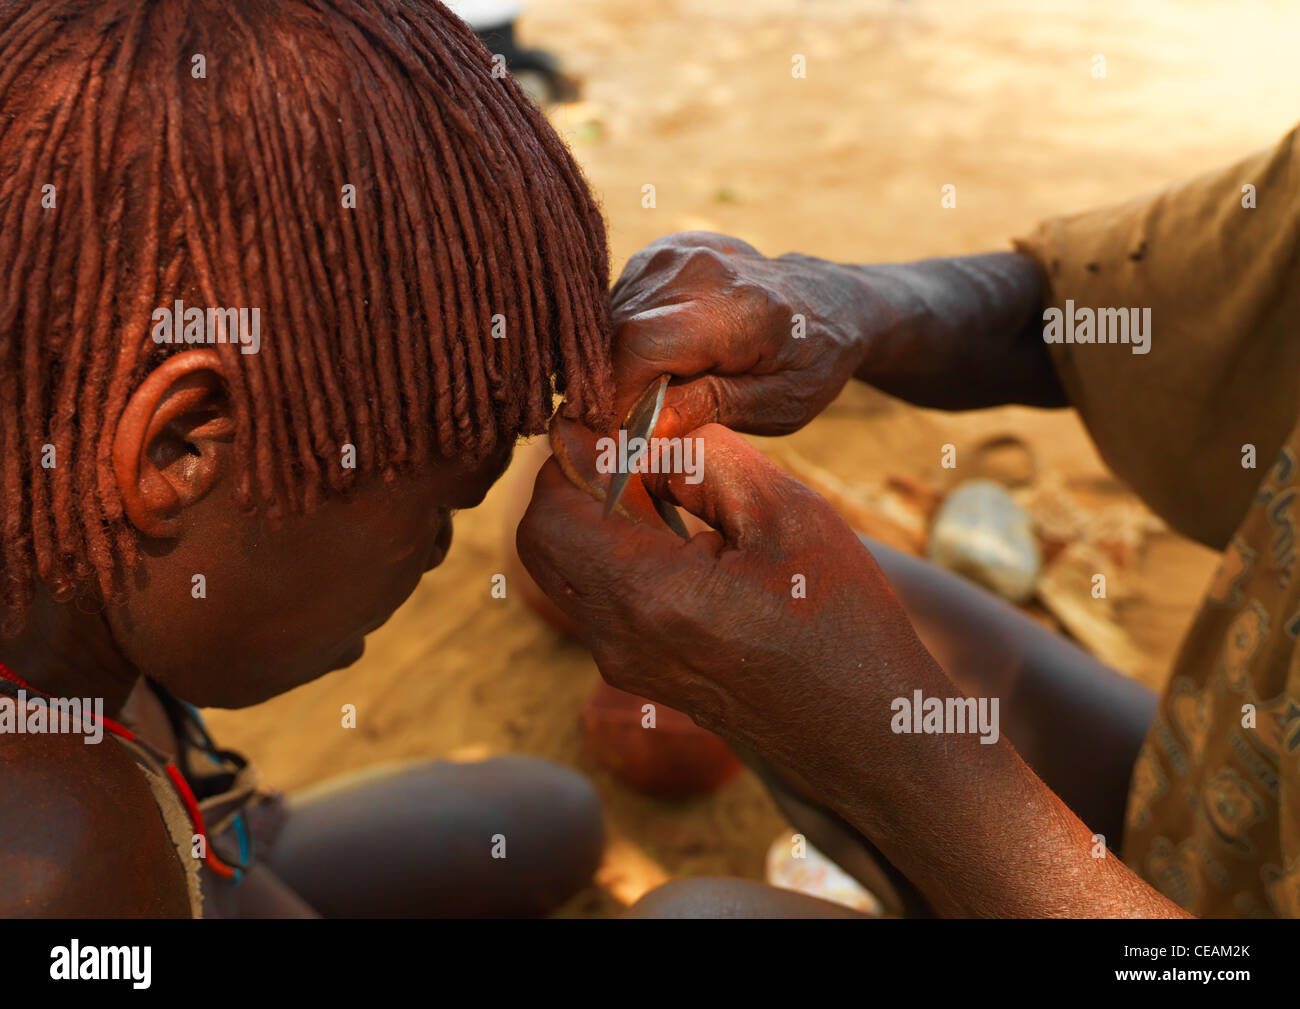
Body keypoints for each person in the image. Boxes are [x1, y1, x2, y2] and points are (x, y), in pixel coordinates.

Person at [517, 124, 1300, 918]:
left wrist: (888, 754)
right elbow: (1093, 309)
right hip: (1205, 788)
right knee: (774, 602)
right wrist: (843, 305)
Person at [0, 0, 610, 918]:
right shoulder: (60, 864)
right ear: (178, 450)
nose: (443, 551)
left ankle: (217, 841)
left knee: (539, 819)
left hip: (169, 839)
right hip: (120, 865)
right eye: (440, 507)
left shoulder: (60, 552)